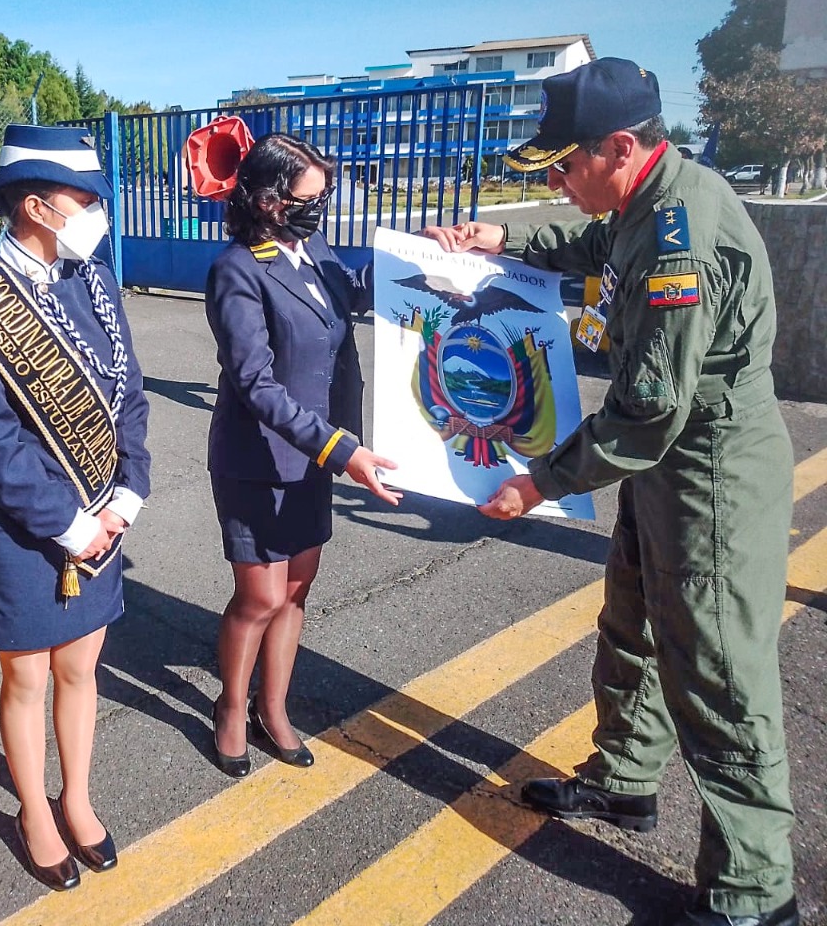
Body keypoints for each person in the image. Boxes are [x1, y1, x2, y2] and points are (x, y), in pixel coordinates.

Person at [422, 58, 799, 926]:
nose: (556, 180)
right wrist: (501, 241)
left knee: (719, 668)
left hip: (709, 464)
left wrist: (537, 484)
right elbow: (593, 245)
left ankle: (752, 890)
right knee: (631, 623)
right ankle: (625, 780)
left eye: (564, 165)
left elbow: (648, 411)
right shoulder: (638, 202)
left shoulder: (678, 231)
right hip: (665, 459)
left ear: (620, 147)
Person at [0, 124, 151, 891]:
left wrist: (127, 492)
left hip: (104, 512)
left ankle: (77, 798)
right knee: (26, 678)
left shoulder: (92, 275)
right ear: (35, 205)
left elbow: (129, 390)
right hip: (25, 529)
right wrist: (68, 524)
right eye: (83, 198)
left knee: (81, 668)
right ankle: (33, 810)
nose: (97, 211)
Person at [204, 133, 398, 779]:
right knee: (258, 599)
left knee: (295, 592)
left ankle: (273, 709)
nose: (319, 210)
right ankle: (231, 709)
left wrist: (427, 259)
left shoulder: (312, 248)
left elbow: (353, 293)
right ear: (267, 199)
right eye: (306, 198)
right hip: (260, 458)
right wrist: (342, 450)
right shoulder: (237, 269)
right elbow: (255, 384)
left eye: (324, 196)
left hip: (317, 457)